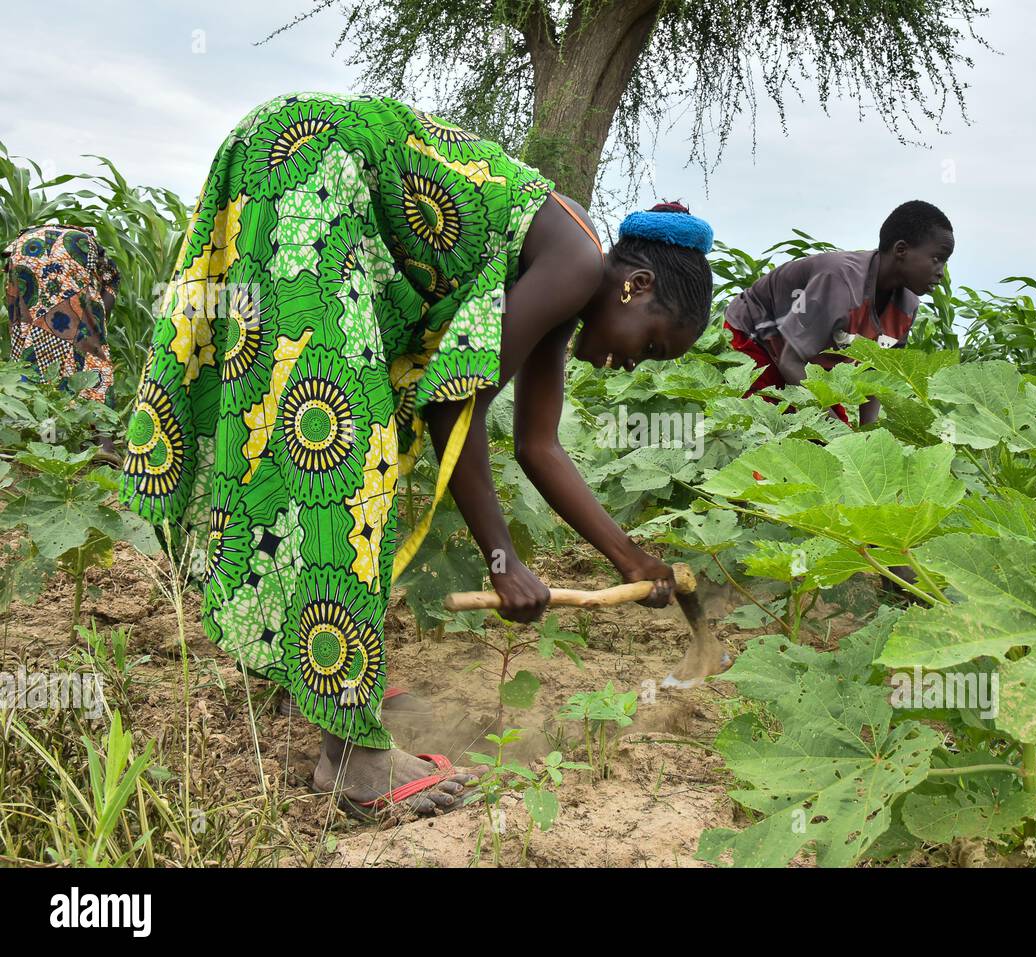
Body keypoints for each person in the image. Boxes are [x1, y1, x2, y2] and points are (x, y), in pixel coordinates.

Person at [118, 91, 714, 818]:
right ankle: (354, 757)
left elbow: (537, 443)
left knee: (316, 435)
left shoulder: (573, 274)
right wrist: (505, 560)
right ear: (638, 285)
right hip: (312, 162)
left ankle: (309, 675)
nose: (633, 364)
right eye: (650, 343)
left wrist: (630, 557)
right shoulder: (578, 265)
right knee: (341, 448)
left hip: (298, 157)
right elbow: (454, 405)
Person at [723, 200, 953, 426]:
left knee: (833, 444)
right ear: (901, 250)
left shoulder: (906, 307)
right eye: (937, 259)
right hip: (756, 337)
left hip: (806, 360)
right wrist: (835, 432)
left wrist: (866, 434)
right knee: (767, 433)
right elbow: (790, 362)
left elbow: (874, 374)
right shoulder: (840, 284)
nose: (941, 272)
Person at [3, 223, 120, 405]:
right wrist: (94, 323)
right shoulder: (94, 250)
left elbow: (13, 308)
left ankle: (27, 412)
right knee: (91, 361)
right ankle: (97, 422)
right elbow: (111, 282)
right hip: (75, 248)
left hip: (23, 248)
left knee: (26, 337)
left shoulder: (26, 238)